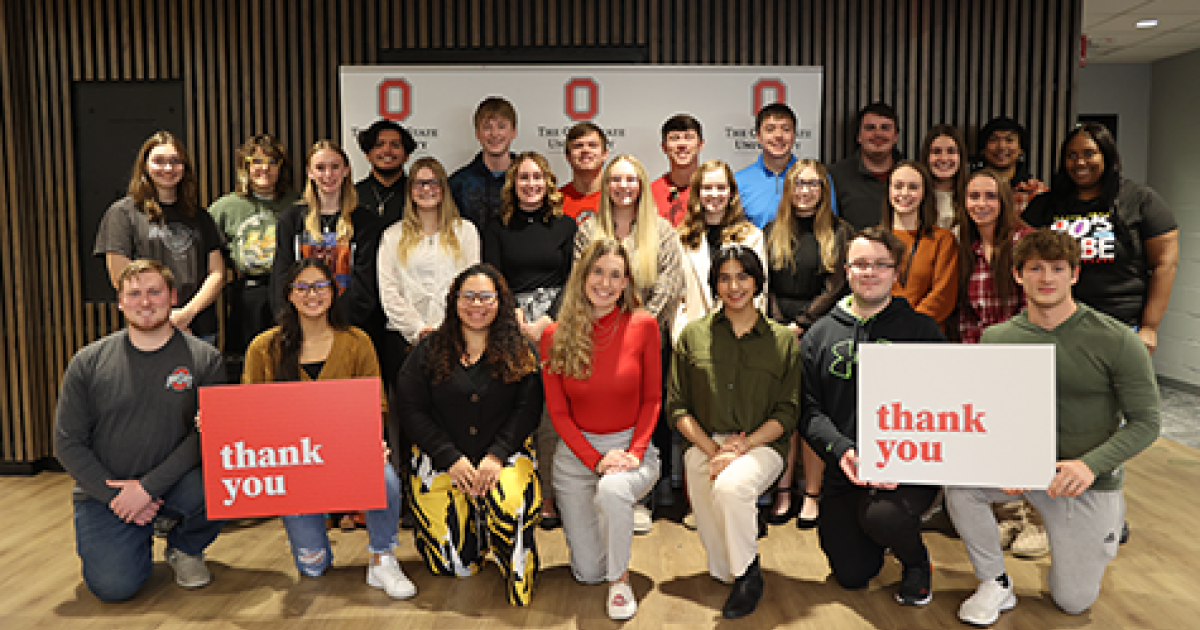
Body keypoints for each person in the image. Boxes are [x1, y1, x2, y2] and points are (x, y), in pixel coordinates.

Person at [946, 229, 1161, 626]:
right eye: (1035, 269)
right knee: (960, 486)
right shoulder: (996, 339)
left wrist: (1090, 465)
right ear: (1017, 275)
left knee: (1073, 601)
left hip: (1084, 480)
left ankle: (1104, 526)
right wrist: (1002, 460)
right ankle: (995, 581)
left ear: (1074, 275)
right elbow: (990, 413)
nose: (1047, 278)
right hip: (1025, 472)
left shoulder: (1116, 340)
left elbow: (1147, 422)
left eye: (1058, 269)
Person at [242, 258, 414, 599]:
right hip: (294, 465)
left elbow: (375, 404)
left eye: (320, 286)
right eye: (302, 287)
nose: (312, 295)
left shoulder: (356, 341)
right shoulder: (264, 347)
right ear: (289, 295)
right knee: (313, 567)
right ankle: (314, 545)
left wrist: (371, 442)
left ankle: (383, 556)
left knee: (385, 478)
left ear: (334, 294)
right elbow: (250, 410)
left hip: (346, 454)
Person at [54, 259, 225, 601]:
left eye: (154, 292)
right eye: (134, 294)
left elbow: (208, 436)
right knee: (114, 588)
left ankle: (184, 547)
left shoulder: (205, 359)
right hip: (108, 492)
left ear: (173, 296)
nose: (144, 302)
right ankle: (137, 532)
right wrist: (116, 496)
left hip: (175, 483)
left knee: (223, 479)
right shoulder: (88, 362)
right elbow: (67, 444)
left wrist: (147, 489)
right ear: (120, 302)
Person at [800, 227, 946, 607]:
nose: (870, 272)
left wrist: (903, 457)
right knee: (851, 575)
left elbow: (944, 401)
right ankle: (873, 537)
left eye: (881, 264)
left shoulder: (921, 330)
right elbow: (810, 411)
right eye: (861, 264)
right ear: (846, 270)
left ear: (896, 272)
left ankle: (915, 561)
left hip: (907, 468)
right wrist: (844, 451)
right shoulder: (819, 334)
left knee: (884, 517)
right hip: (847, 467)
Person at [396, 264, 543, 606]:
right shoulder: (428, 349)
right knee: (457, 567)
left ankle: (504, 537)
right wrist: (449, 457)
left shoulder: (520, 350)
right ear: (454, 301)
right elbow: (411, 409)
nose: (477, 304)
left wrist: (496, 455)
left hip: (502, 456)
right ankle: (472, 528)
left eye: (486, 296)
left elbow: (528, 411)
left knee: (510, 507)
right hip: (442, 458)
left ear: (500, 301)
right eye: (468, 296)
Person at [668, 245, 801, 619]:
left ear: (757, 282)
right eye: (724, 278)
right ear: (714, 285)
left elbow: (787, 412)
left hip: (762, 444)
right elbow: (678, 407)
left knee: (730, 486)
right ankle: (735, 567)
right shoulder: (692, 336)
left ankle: (750, 575)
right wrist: (715, 450)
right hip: (705, 441)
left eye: (743, 276)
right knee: (719, 570)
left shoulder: (781, 340)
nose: (734, 286)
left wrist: (743, 446)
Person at [540, 239, 662, 621]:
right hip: (576, 456)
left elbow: (652, 399)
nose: (605, 283)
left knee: (613, 490)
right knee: (588, 572)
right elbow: (558, 413)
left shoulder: (643, 325)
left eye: (616, 275)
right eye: (598, 272)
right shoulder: (553, 335)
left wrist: (635, 453)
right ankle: (610, 533)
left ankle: (620, 582)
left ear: (626, 282)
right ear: (583, 276)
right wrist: (595, 461)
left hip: (630, 448)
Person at [575, 154, 685, 531]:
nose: (623, 187)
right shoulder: (589, 231)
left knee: (649, 416)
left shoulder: (662, 231)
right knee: (606, 413)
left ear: (641, 185)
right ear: (606, 186)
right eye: (616, 180)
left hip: (648, 338)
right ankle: (601, 485)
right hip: (598, 339)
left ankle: (642, 497)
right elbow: (581, 283)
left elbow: (671, 284)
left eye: (630, 180)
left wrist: (639, 326)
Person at [1023, 122, 1179, 355]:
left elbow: (1165, 264)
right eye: (1071, 155)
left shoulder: (1139, 199)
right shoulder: (1046, 204)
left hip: (1120, 326)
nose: (1080, 162)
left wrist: (1149, 327)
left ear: (1107, 156)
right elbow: (1022, 257)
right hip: (1056, 325)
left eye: (1089, 154)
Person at [482, 151, 576, 530]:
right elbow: (491, 274)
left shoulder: (566, 226)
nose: (531, 184)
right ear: (513, 184)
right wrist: (516, 317)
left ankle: (552, 497)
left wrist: (547, 321)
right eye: (523, 178)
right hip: (508, 324)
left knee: (553, 413)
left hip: (556, 324)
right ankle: (517, 491)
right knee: (516, 408)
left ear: (549, 183)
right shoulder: (496, 226)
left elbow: (573, 279)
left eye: (538, 177)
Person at [763, 158, 852, 528]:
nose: (805, 191)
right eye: (798, 184)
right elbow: (765, 283)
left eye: (813, 184)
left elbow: (836, 287)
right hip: (777, 330)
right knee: (784, 415)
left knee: (813, 414)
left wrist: (801, 325)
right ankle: (783, 492)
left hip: (821, 329)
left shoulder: (841, 231)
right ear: (788, 189)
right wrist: (780, 325)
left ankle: (811, 494)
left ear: (824, 189)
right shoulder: (771, 229)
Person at [95, 131, 226, 344]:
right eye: (159, 161)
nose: (168, 168)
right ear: (145, 166)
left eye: (175, 161)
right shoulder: (123, 213)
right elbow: (121, 276)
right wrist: (164, 319)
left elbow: (217, 273)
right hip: (147, 328)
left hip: (199, 327)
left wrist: (186, 314)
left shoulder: (201, 217)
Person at [377, 156, 481, 383]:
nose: (427, 189)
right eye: (419, 183)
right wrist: (418, 331)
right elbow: (389, 292)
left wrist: (446, 328)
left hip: (456, 337)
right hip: (403, 341)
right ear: (410, 190)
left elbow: (471, 288)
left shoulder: (466, 232)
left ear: (444, 188)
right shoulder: (392, 235)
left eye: (433, 183)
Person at [270, 140, 381, 335]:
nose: (328, 175)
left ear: (346, 170)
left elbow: (365, 285)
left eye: (335, 167)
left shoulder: (366, 222)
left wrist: (334, 323)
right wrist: (299, 321)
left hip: (350, 328)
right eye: (320, 168)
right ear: (309, 172)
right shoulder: (291, 219)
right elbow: (281, 279)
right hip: (300, 328)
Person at [209, 134, 300, 357]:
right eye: (256, 162)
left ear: (281, 168)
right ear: (245, 167)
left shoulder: (298, 203)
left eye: (271, 162)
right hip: (248, 298)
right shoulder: (225, 208)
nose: (264, 169)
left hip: (291, 294)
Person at [673, 159, 765, 342]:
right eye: (707, 188)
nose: (714, 194)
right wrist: (685, 340)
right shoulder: (679, 238)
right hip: (693, 340)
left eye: (721, 187)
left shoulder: (752, 237)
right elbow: (676, 299)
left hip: (739, 341)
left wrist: (744, 337)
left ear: (731, 193)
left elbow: (758, 294)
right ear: (697, 193)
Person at [881, 160, 959, 327]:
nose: (905, 193)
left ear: (924, 193)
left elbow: (943, 296)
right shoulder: (872, 240)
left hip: (927, 336)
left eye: (913, 187)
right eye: (898, 186)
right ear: (888, 191)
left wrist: (911, 325)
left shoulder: (943, 240)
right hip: (881, 334)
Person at [449, 96, 518, 231]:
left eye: (501, 126)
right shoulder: (458, 183)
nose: (494, 134)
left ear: (513, 132)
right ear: (477, 133)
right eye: (487, 127)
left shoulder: (528, 181)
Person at [829, 102, 901, 230]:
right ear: (859, 137)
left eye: (885, 127)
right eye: (870, 128)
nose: (878, 133)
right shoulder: (835, 177)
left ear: (895, 137)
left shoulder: (913, 174)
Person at [735, 103, 799, 229]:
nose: (778, 136)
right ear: (758, 136)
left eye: (786, 129)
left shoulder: (814, 178)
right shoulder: (738, 181)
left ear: (794, 135)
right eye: (770, 130)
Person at [972, 117, 1049, 214]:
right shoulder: (967, 186)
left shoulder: (1037, 191)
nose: (1001, 146)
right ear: (982, 149)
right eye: (993, 140)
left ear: (1021, 149)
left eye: (1009, 140)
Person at [355, 119, 417, 229]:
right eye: (379, 145)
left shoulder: (418, 193)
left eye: (395, 145)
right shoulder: (352, 194)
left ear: (407, 155)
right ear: (367, 155)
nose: (387, 150)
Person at [651, 114, 705, 226]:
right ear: (664, 147)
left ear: (700, 145)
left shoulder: (715, 190)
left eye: (689, 137)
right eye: (674, 138)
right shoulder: (651, 192)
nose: (682, 144)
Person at [559, 122, 610, 224]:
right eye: (578, 146)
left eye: (592, 145)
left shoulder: (619, 197)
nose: (585, 150)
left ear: (605, 154)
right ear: (568, 156)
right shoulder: (556, 201)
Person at [919, 125, 968, 229]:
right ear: (926, 157)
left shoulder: (974, 196)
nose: (944, 158)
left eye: (951, 151)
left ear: (961, 157)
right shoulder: (914, 196)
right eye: (937, 151)